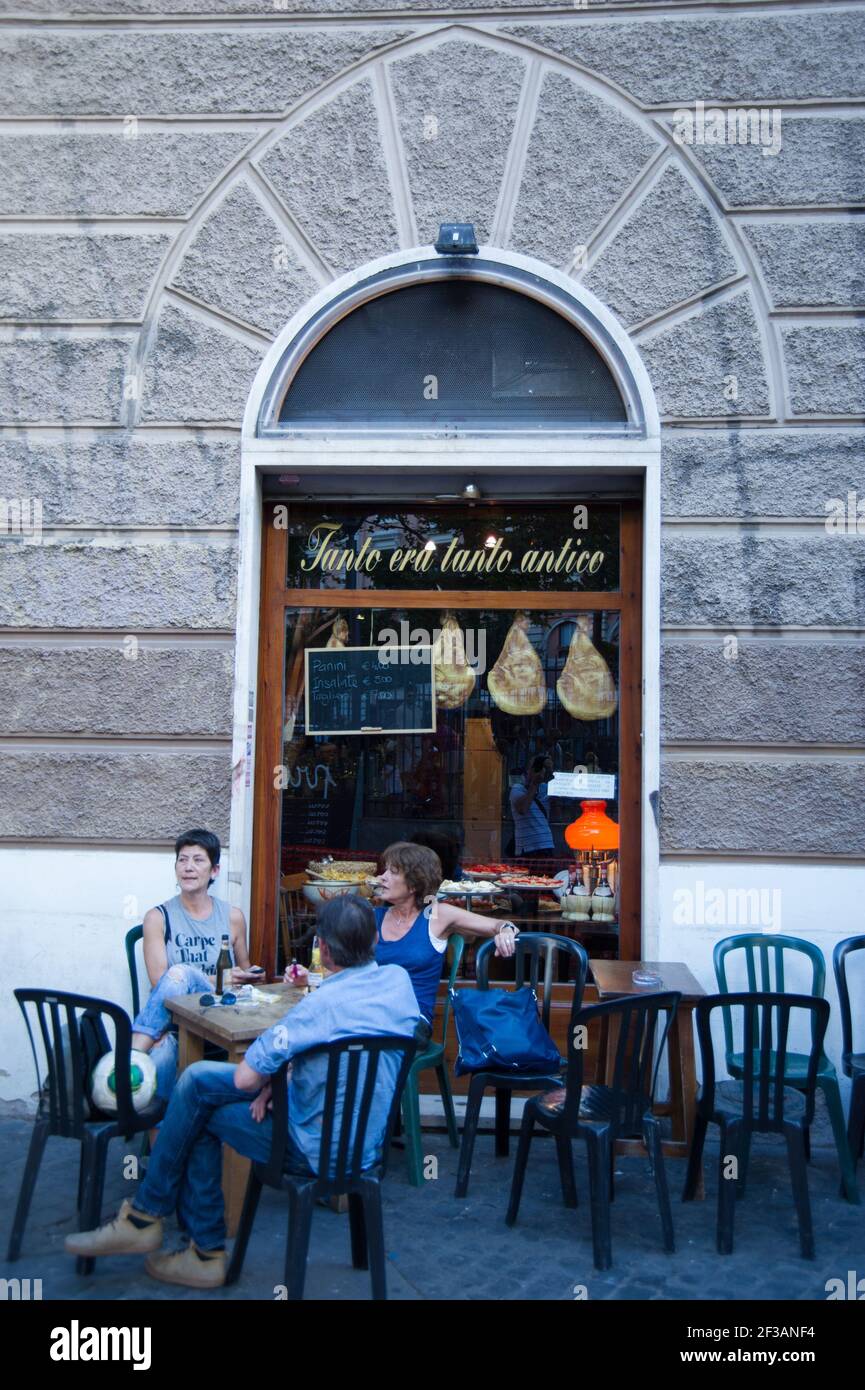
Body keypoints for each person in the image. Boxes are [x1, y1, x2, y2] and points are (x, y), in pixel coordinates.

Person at [65, 894, 421, 1289]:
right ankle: (161, 1228)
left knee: (198, 1096)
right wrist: (283, 1075)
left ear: (323, 949)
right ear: (374, 942)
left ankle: (183, 1239)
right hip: (367, 1146)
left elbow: (244, 1080)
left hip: (310, 1147)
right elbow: (356, 1044)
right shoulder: (399, 983)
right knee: (197, 1087)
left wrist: (272, 1075)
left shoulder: (316, 1008)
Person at [131, 828, 260, 1101]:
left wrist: (248, 976)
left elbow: (245, 971)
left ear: (214, 871)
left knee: (181, 973)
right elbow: (160, 982)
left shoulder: (233, 917)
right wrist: (221, 979)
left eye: (198, 860)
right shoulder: (158, 917)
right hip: (176, 1021)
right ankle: (160, 1138)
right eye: (182, 859)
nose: (188, 867)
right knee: (163, 1054)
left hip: (221, 1018)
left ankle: (132, 1052)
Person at [509, 754, 554, 860]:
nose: (539, 771)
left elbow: (567, 791)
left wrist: (552, 772)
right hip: (527, 847)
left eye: (542, 768)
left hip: (546, 844)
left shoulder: (546, 788)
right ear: (528, 770)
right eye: (536, 768)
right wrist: (534, 783)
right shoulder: (517, 789)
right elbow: (522, 809)